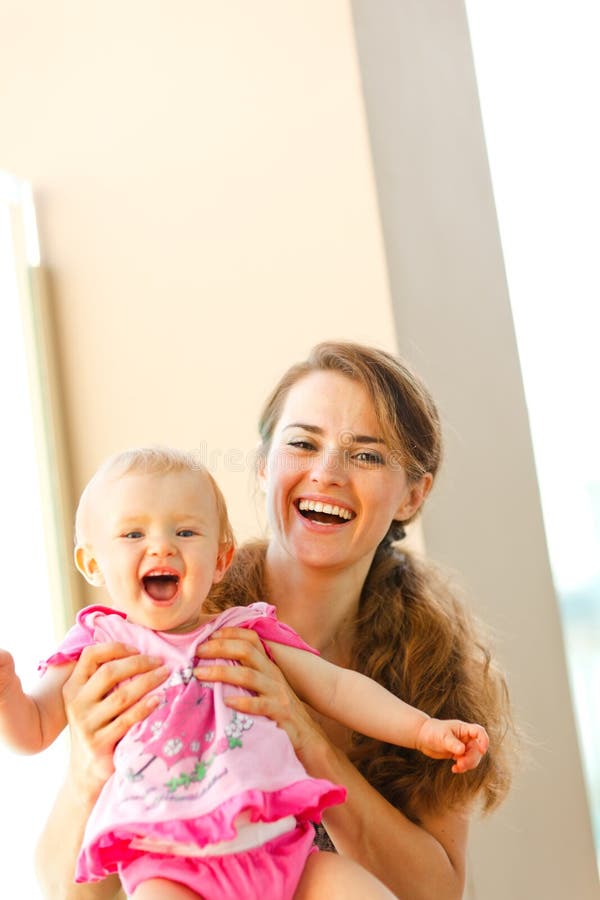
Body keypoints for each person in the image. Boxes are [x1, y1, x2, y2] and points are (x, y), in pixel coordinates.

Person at [35, 342, 514, 900]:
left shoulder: (430, 665)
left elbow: (436, 893)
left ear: (414, 494)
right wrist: (90, 770)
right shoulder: (168, 626)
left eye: (366, 455)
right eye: (302, 444)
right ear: (265, 467)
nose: (327, 473)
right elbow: (62, 889)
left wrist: (309, 740)